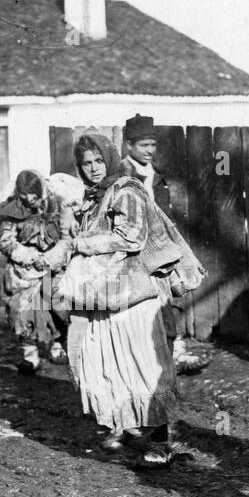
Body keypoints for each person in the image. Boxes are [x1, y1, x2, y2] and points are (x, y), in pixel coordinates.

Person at [64, 131, 181, 467]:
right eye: (86, 164)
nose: (93, 169)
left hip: (135, 292)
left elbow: (131, 236)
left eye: (99, 161)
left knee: (144, 362)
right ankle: (121, 423)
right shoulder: (94, 195)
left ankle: (160, 440)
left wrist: (82, 242)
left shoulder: (126, 190)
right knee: (112, 360)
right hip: (106, 291)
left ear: (110, 158)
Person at [121, 114, 209, 375]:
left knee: (170, 298)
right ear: (129, 146)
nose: (149, 150)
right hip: (136, 252)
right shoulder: (123, 175)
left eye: (152, 145)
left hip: (161, 249)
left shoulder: (157, 176)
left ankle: (173, 353)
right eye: (143, 145)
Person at [0, 170, 74, 373]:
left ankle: (57, 347)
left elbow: (67, 238)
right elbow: (5, 241)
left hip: (52, 265)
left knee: (56, 307)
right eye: (24, 195)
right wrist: (29, 256)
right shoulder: (12, 210)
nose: (29, 199)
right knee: (21, 311)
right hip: (23, 270)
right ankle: (30, 356)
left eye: (34, 194)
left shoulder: (59, 204)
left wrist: (49, 259)